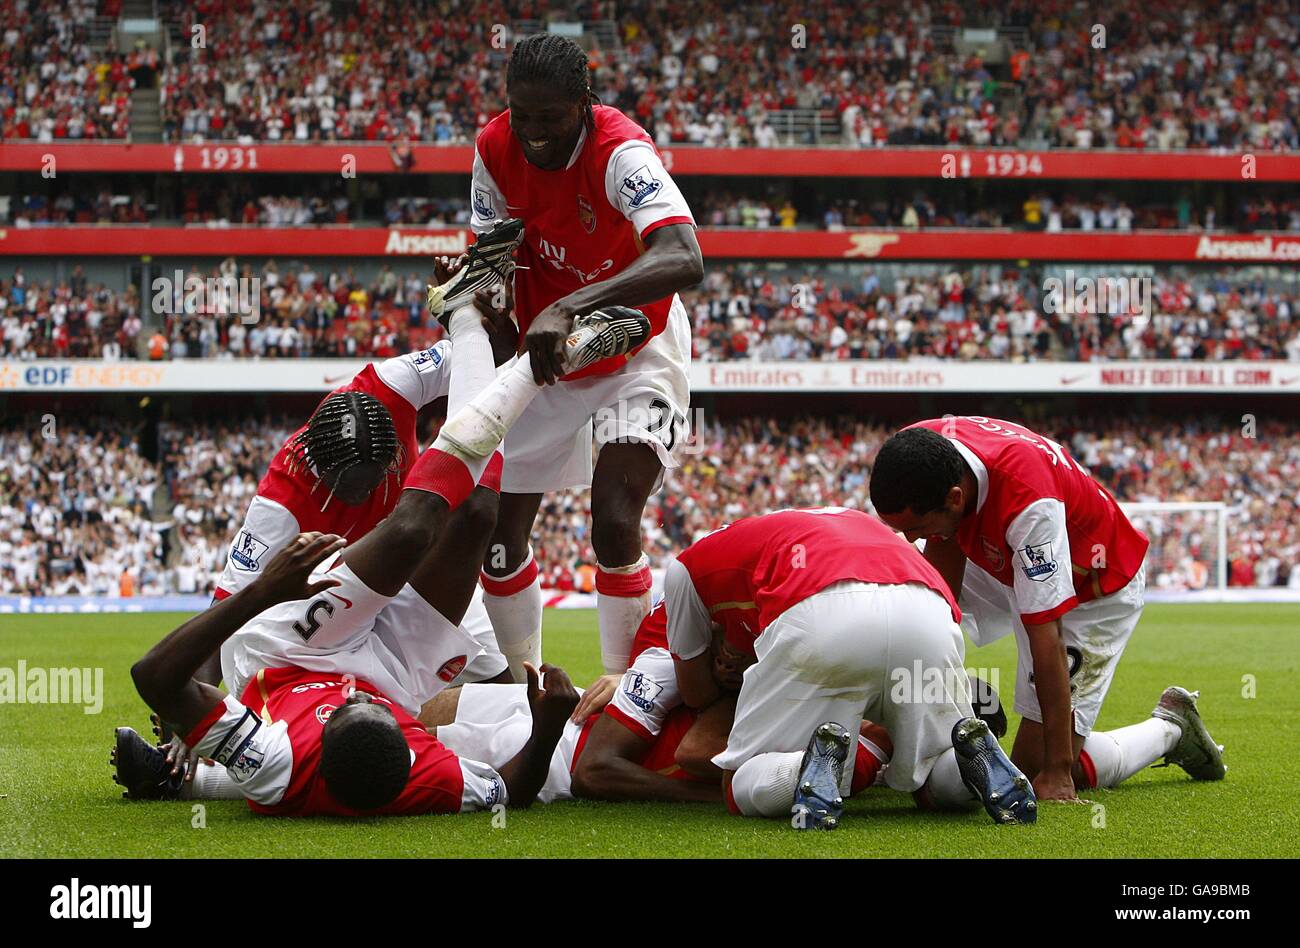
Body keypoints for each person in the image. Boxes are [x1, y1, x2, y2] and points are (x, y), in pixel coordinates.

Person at [114, 295, 646, 814]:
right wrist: (548, 727)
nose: (356, 700)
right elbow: (510, 790)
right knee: (479, 517)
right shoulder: (419, 774)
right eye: (384, 718)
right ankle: (533, 360)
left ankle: (488, 333)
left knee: (414, 529)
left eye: (346, 711)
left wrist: (264, 598)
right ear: (405, 749)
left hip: (296, 653)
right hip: (390, 671)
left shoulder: (273, 760)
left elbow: (156, 674)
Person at [449, 33, 704, 683]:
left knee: (614, 523)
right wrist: (478, 296)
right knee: (498, 547)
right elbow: (492, 263)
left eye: (550, 117)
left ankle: (625, 697)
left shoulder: (621, 152)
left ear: (584, 103)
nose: (532, 131)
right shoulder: (493, 147)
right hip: (549, 355)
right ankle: (523, 695)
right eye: (521, 113)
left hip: (636, 345)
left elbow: (684, 258)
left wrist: (577, 304)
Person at [869, 417, 1227, 803]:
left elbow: (1046, 637)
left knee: (1027, 771)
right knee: (910, 603)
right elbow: (938, 583)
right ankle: (878, 739)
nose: (909, 538)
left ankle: (1170, 731)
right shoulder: (923, 450)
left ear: (955, 497)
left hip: (1091, 587)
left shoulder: (1029, 504)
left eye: (915, 526)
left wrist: (1057, 772)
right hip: (998, 555)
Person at [663, 506, 1038, 830]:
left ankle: (801, 769)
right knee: (931, 773)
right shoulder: (847, 520)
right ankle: (965, 767)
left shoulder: (687, 565)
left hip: (820, 614)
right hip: (928, 612)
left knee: (738, 783)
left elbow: (696, 691)